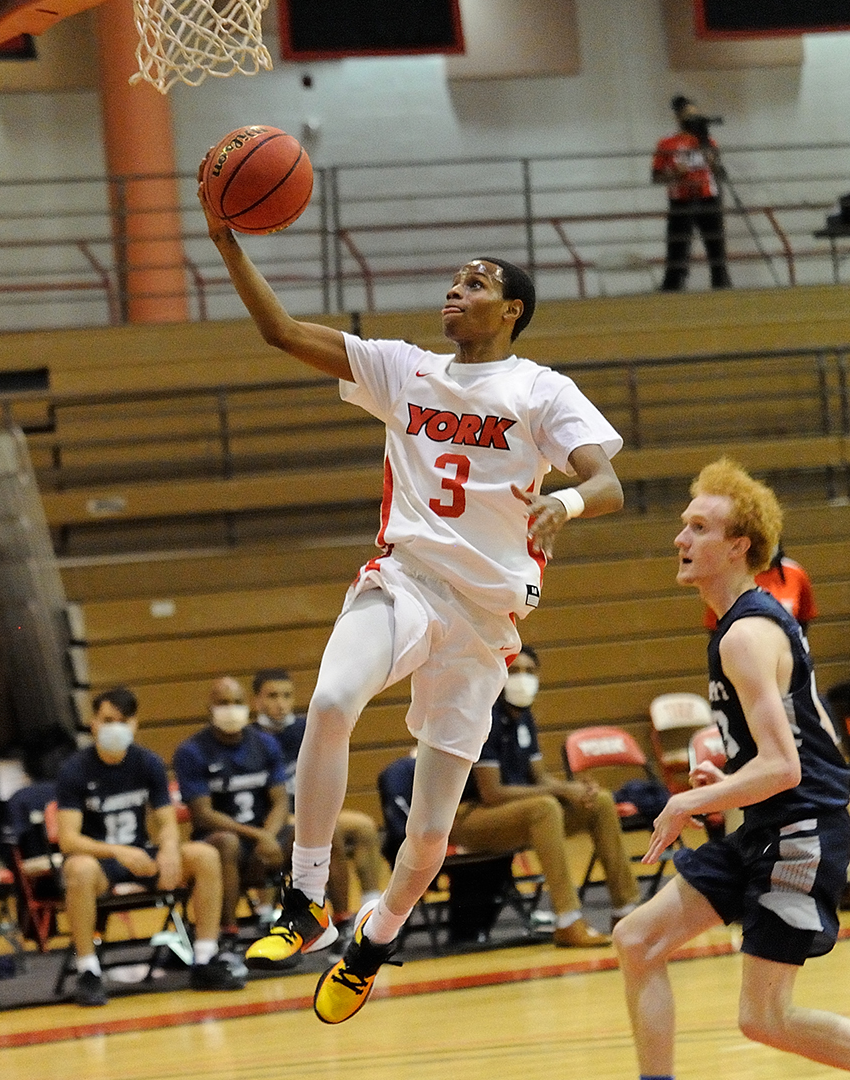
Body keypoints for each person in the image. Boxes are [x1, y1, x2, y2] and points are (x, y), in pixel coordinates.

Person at [204, 190, 623, 1025]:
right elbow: (282, 332)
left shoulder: (541, 391)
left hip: (484, 621)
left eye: (475, 283)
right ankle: (306, 900)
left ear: (511, 310)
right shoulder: (404, 368)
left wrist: (566, 504)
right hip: (405, 580)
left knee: (430, 834)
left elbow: (608, 480)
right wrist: (227, 244)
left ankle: (375, 938)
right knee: (328, 702)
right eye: (453, 281)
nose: (454, 292)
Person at [614, 459, 850, 1080]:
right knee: (637, 942)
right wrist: (731, 775)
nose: (681, 539)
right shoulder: (742, 622)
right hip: (770, 819)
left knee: (764, 1017)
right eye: (684, 525)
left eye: (699, 528)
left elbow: (787, 766)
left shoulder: (745, 634)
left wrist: (686, 802)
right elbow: (802, 730)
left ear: (739, 546)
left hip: (801, 825)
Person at [56, 687, 247, 1006]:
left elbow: (167, 822)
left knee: (205, 856)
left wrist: (170, 848)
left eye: (123, 721)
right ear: (93, 723)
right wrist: (118, 852)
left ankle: (205, 959)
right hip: (103, 862)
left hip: (142, 856)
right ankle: (88, 971)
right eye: (107, 720)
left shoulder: (148, 763)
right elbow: (68, 839)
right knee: (78, 868)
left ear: (134, 725)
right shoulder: (74, 769)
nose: (115, 727)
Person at [451, 646, 632, 946]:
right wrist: (563, 790)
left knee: (599, 801)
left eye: (529, 671)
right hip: (469, 817)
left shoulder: (524, 717)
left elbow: (540, 777)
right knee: (545, 807)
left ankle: (626, 910)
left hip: (521, 812)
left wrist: (574, 790)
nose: (522, 678)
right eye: (514, 671)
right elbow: (492, 793)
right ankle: (568, 920)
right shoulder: (483, 717)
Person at [752, 549, 850, 912]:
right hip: (755, 715)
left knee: (849, 786)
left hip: (796, 704)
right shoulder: (736, 585)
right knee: (746, 792)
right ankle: (747, 888)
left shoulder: (795, 574)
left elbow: (803, 630)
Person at [252, 669, 387, 931]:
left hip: (311, 813)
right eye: (272, 696)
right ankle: (267, 910)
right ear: (256, 701)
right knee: (323, 832)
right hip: (272, 820)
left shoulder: (308, 728)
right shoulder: (251, 739)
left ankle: (372, 908)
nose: (280, 703)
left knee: (363, 826)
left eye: (287, 696)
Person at [173, 676, 291, 942]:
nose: (231, 708)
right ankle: (228, 934)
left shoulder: (265, 744)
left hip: (264, 836)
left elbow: (281, 801)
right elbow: (203, 815)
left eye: (237, 702)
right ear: (210, 709)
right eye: (223, 703)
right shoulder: (191, 751)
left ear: (248, 706)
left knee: (313, 836)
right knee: (227, 844)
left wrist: (269, 835)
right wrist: (259, 836)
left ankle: (334, 925)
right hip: (219, 839)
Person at [652, 95, 731, 292]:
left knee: (716, 252)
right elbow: (656, 177)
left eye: (697, 116)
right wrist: (674, 173)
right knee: (677, 254)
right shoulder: (666, 143)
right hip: (681, 201)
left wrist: (711, 159)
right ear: (678, 119)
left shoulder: (707, 140)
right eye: (688, 117)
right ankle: (672, 292)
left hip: (708, 199)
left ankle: (722, 290)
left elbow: (720, 173)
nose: (693, 120)